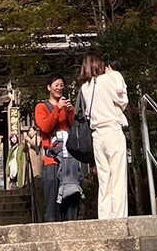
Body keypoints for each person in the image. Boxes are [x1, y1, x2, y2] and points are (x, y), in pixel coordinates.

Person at [78, 51, 129, 220]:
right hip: (112, 131)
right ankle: (119, 217)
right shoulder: (109, 78)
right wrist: (113, 73)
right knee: (118, 177)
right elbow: (123, 100)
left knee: (104, 178)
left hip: (97, 136)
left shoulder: (85, 88)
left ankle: (105, 216)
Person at [34, 76, 76, 222]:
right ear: (48, 87)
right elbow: (45, 126)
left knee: (71, 197)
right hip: (51, 158)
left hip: (68, 157)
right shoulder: (41, 107)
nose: (59, 88)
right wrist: (57, 108)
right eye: (56, 85)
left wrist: (70, 111)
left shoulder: (65, 107)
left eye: (61, 85)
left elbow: (73, 128)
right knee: (51, 199)